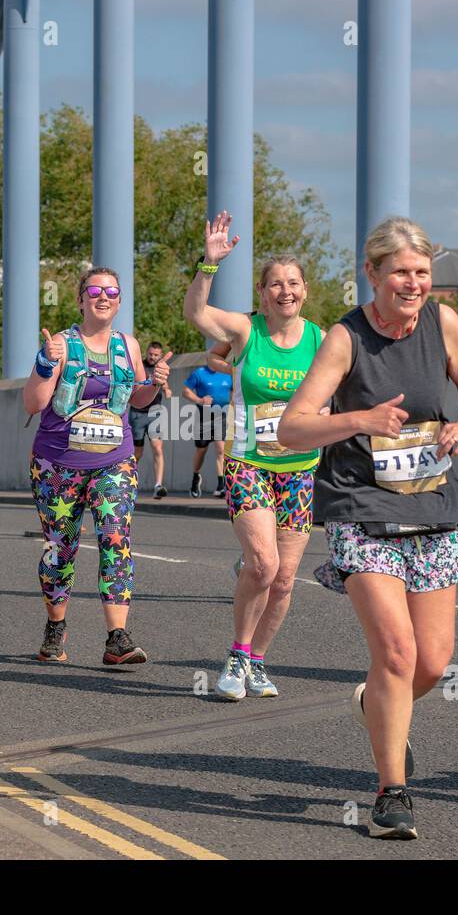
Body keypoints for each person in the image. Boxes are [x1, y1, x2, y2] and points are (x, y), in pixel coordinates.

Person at [280, 216, 458, 840]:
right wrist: (359, 420)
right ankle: (391, 792)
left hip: (432, 507)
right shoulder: (345, 340)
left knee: (433, 662)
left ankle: (375, 706)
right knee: (396, 654)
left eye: (423, 272)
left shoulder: (443, 324)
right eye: (401, 271)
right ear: (372, 274)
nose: (414, 282)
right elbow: (294, 427)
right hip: (362, 508)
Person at [184, 213, 324, 701]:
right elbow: (197, 315)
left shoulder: (321, 342)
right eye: (275, 284)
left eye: (293, 283)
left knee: (284, 581)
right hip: (249, 463)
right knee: (262, 565)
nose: (284, 291)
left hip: (301, 470)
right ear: (263, 294)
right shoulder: (247, 332)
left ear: (305, 290)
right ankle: (237, 655)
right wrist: (210, 264)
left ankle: (259, 661)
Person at [22, 266, 171, 665]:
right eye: (94, 291)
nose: (103, 297)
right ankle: (55, 629)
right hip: (58, 463)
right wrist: (42, 364)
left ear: (120, 300)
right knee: (62, 546)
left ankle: (116, 638)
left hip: (114, 462)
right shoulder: (62, 345)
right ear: (81, 299)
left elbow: (137, 399)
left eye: (111, 291)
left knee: (115, 539)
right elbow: (33, 404)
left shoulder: (129, 345)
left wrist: (153, 382)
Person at [128, 341, 172, 499]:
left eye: (156, 355)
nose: (153, 357)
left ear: (160, 355)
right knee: (136, 453)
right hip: (138, 413)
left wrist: (167, 390)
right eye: (151, 354)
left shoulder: (161, 368)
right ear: (147, 352)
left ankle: (158, 485)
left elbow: (166, 387)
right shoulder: (140, 366)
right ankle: (128, 483)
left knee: (157, 447)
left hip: (155, 413)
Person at [181, 360, 232, 497]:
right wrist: (199, 400)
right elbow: (185, 391)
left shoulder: (228, 373)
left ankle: (221, 485)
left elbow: (234, 392)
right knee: (201, 450)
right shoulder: (200, 373)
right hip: (203, 416)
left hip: (221, 416)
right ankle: (196, 476)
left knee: (221, 449)